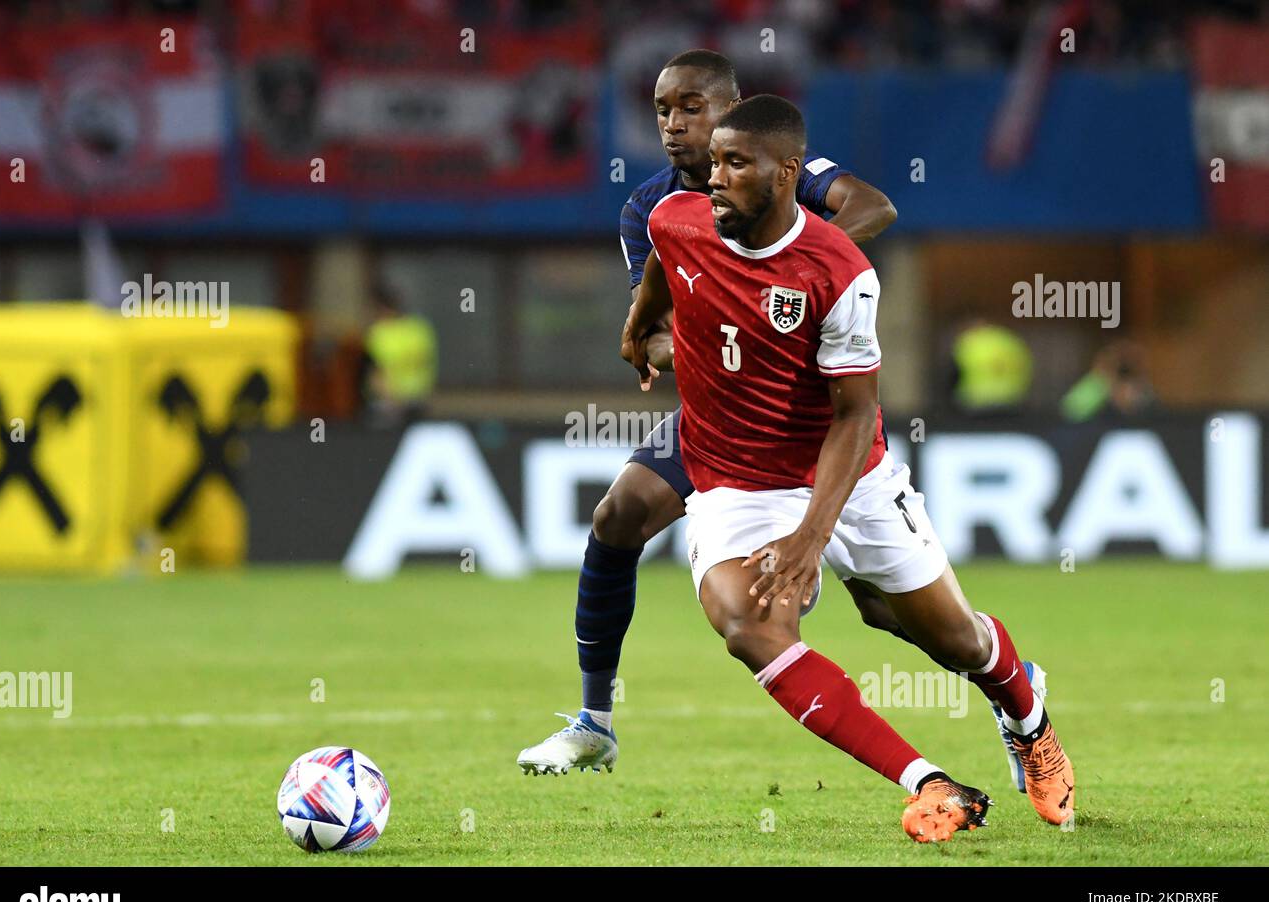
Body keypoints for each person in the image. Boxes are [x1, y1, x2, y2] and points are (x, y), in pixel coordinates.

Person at [517, 50, 1027, 801]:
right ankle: (595, 722)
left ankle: (1006, 688)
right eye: (663, 110)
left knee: (887, 612)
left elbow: (875, 207)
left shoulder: (791, 176)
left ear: (734, 112)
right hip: (724, 421)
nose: (675, 124)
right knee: (618, 514)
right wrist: (697, 333)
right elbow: (658, 329)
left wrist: (791, 283)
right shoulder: (649, 210)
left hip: (811, 414)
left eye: (693, 108)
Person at [616, 95, 1072, 837]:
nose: (715, 177)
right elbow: (664, 268)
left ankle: (1029, 714)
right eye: (715, 161)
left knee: (950, 639)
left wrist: (808, 539)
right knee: (747, 624)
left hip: (851, 479)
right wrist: (638, 331)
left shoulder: (839, 271)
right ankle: (929, 782)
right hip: (734, 481)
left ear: (787, 172)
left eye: (735, 163)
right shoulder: (680, 219)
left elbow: (856, 415)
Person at [360, 281, 436, 428]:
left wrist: (391, 399)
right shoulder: (420, 329)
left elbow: (375, 372)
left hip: (389, 406)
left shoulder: (378, 333)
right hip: (417, 400)